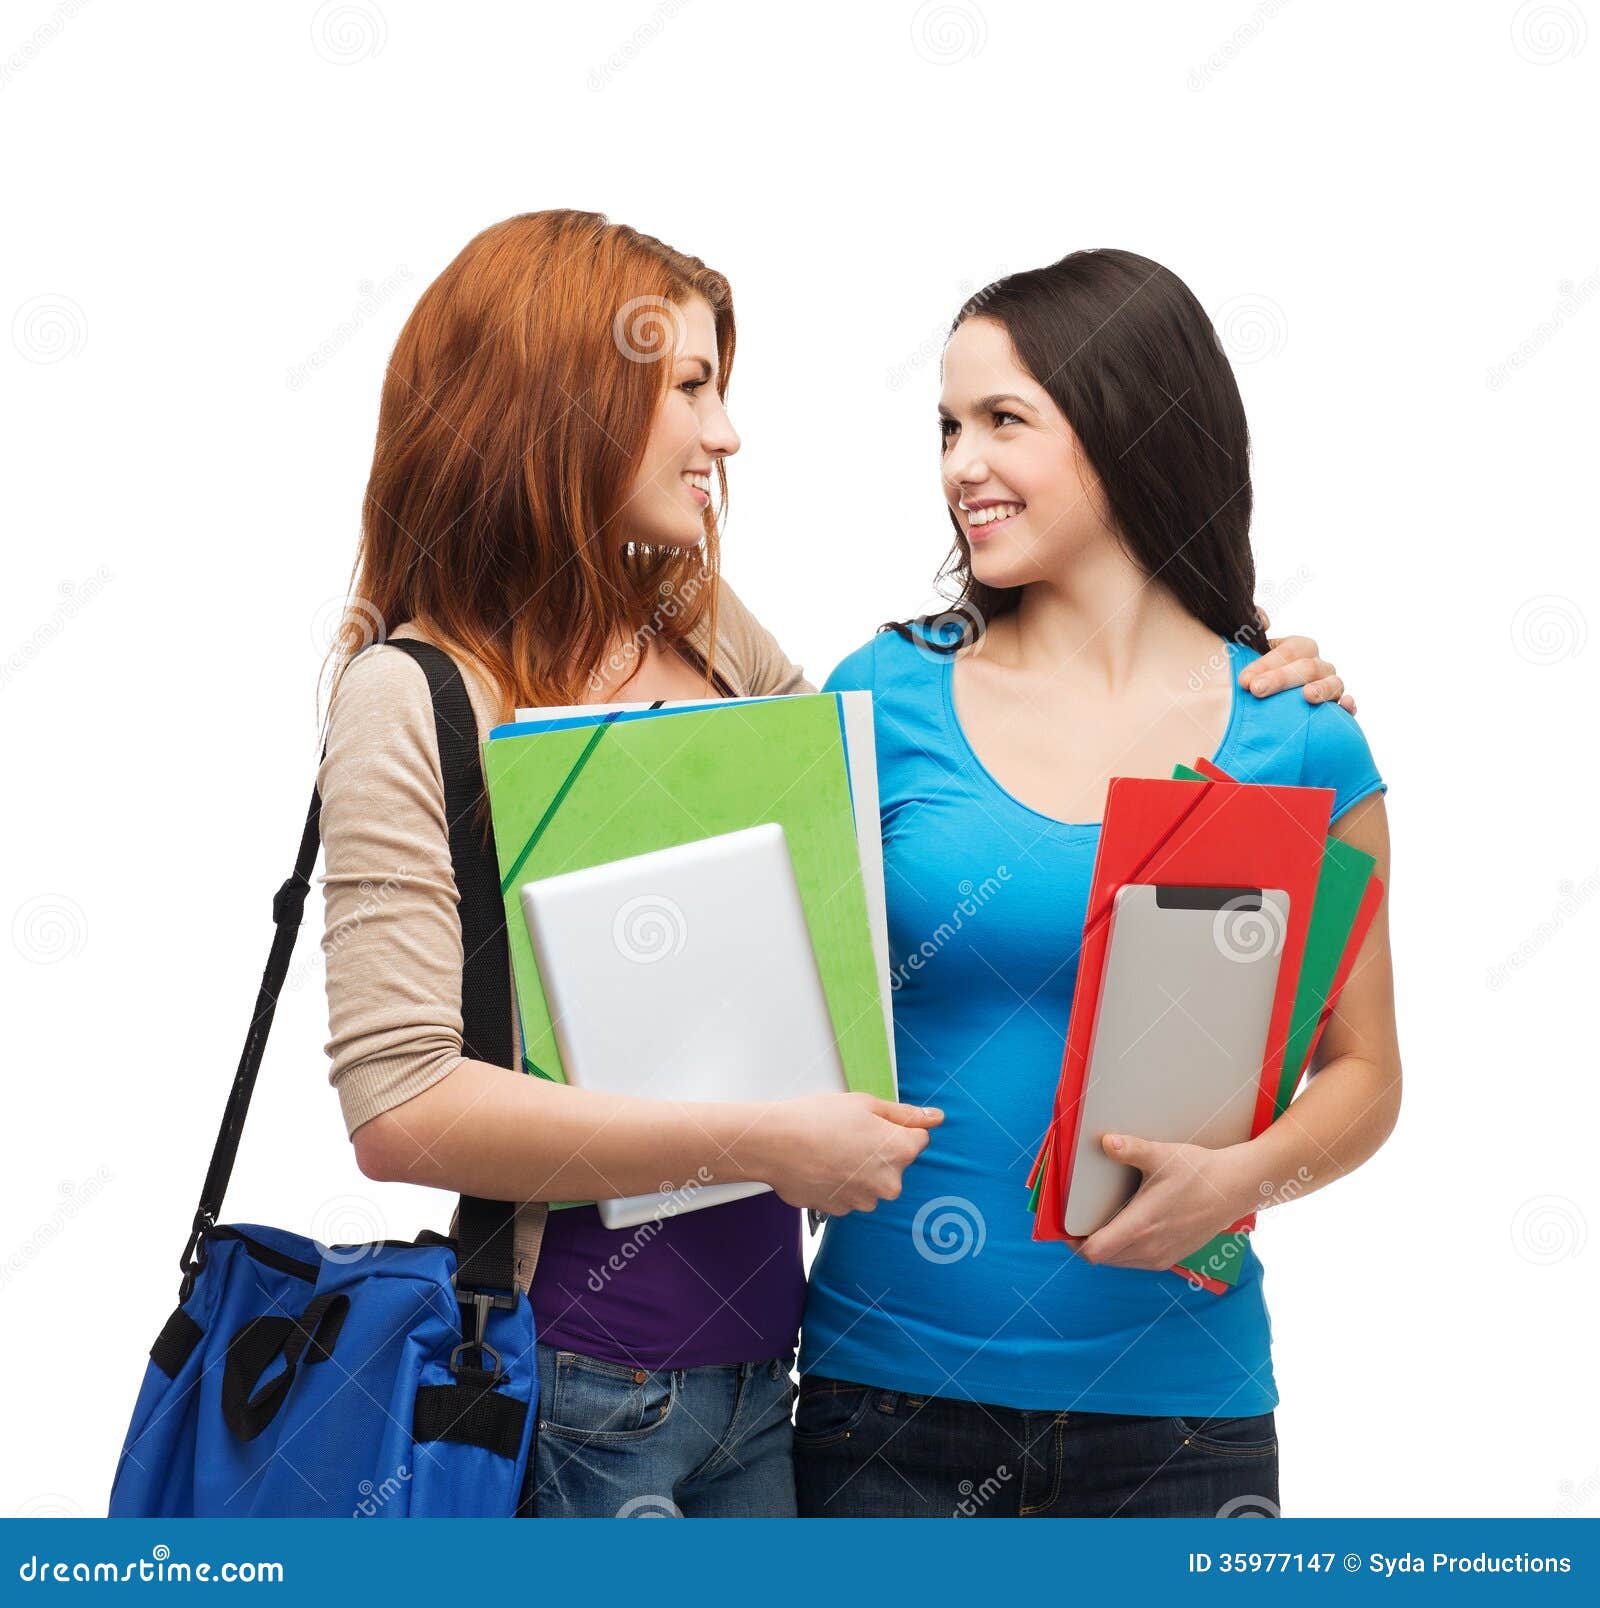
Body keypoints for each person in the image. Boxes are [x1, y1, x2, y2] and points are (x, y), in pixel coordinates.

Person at [318, 211, 1356, 1517]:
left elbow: (898, 815)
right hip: (573, 1384)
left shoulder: (698, 627)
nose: (726, 435)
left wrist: (1231, 676)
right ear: (564, 400)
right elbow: (400, 1105)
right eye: (689, 388)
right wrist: (763, 1140)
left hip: (767, 1379)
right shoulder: (412, 697)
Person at [793, 249, 1400, 1519]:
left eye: (1004, 420)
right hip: (883, 1402)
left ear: (1127, 429)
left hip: (1182, 1416)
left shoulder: (1298, 737)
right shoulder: (876, 696)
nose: (961, 463)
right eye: (948, 426)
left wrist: (1242, 1182)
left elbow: (1364, 1076)